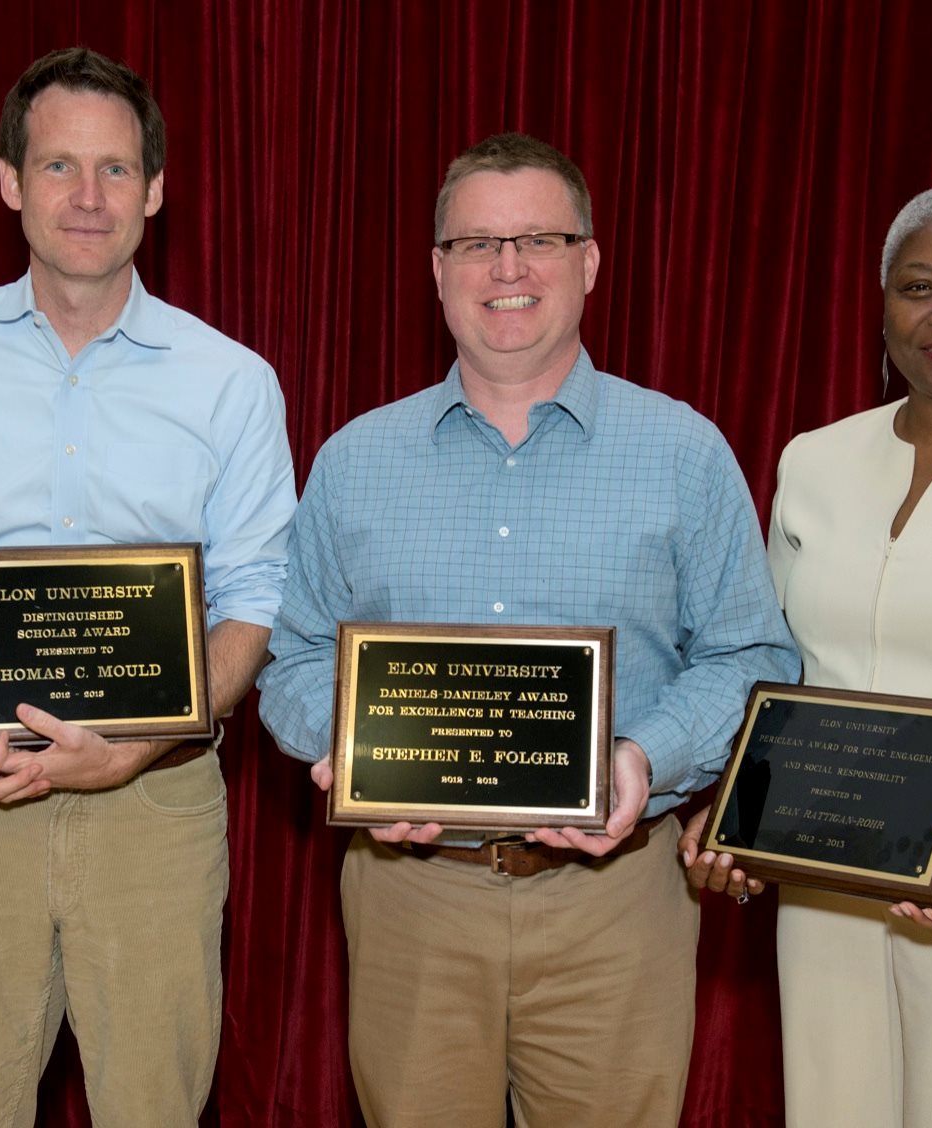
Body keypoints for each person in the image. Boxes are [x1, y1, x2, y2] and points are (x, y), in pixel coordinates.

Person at [255, 131, 799, 1127]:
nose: (506, 270)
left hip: (616, 905)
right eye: (474, 245)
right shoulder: (352, 460)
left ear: (588, 261)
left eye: (537, 240)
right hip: (409, 894)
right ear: (436, 270)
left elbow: (750, 656)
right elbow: (290, 658)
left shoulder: (681, 452)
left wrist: (643, 759)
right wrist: (350, 743)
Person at [0, 47, 295, 1127]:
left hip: (158, 802)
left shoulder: (230, 380)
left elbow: (257, 593)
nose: (85, 198)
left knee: (154, 1100)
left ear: (153, 189)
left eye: (112, 170)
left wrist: (138, 745)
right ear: (10, 181)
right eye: (57, 167)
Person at [681, 181, 932, 1127]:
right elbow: (776, 674)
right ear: (882, 304)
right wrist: (735, 809)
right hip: (827, 881)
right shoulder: (814, 461)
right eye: (919, 286)